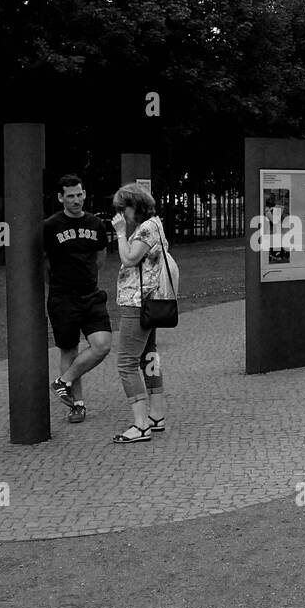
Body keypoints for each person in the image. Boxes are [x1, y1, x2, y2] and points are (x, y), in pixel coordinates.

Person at [45, 174, 112, 425]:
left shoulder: (95, 224)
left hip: (91, 294)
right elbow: (44, 262)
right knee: (69, 349)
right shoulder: (51, 226)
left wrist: (89, 278)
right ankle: (77, 405)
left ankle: (62, 382)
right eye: (70, 196)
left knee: (102, 345)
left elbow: (101, 256)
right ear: (61, 198)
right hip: (63, 297)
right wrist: (57, 284)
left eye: (79, 194)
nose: (76, 200)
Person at [109, 182, 171, 443]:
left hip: (137, 303)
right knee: (149, 357)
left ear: (135, 206)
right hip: (151, 302)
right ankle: (156, 416)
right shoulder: (156, 223)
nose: (122, 215)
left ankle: (141, 424)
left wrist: (121, 233)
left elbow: (129, 259)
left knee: (126, 363)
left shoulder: (145, 229)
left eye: (123, 209)